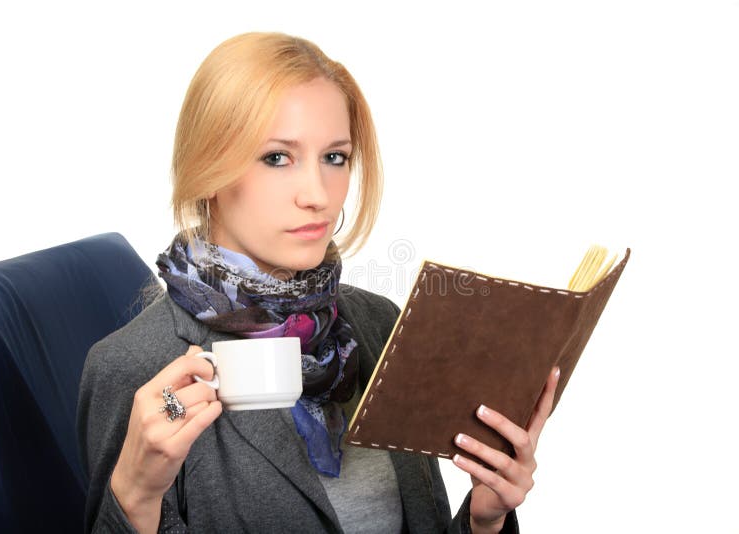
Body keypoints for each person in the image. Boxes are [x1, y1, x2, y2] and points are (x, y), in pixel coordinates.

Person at [76, 31, 560, 534]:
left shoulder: (378, 323)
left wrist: (485, 521)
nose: (317, 195)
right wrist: (134, 498)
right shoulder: (133, 366)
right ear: (209, 168)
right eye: (277, 157)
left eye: (335, 157)